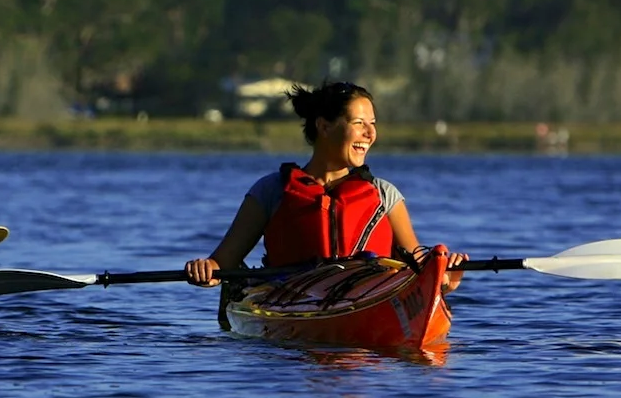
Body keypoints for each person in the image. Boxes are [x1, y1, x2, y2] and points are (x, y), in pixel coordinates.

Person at [185, 80, 465, 292]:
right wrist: (205, 271)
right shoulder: (271, 191)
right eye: (358, 123)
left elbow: (420, 263)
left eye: (373, 123)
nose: (370, 133)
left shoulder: (384, 195)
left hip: (369, 298)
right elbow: (222, 264)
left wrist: (443, 276)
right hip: (290, 299)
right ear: (324, 126)